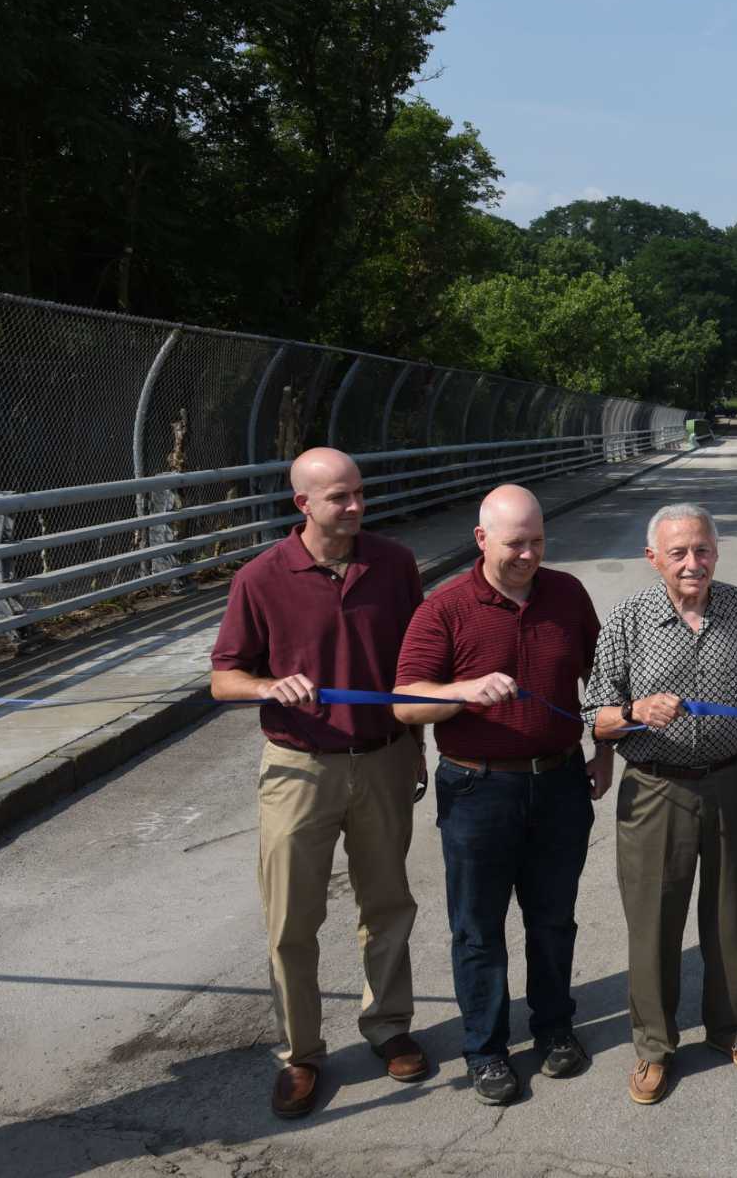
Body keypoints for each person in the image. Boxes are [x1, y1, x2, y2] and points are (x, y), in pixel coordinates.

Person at [209, 446, 428, 1119]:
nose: (357, 506)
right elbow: (223, 678)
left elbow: (416, 666)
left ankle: (389, 1026)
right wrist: (271, 684)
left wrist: (415, 744)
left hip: (384, 756)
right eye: (341, 497)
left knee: (387, 904)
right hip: (299, 767)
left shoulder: (392, 564)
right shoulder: (262, 577)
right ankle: (301, 1054)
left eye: (360, 492)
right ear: (302, 503)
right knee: (291, 920)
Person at [392, 485, 608, 1107]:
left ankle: (554, 1026)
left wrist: (603, 750)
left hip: (560, 779)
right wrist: (462, 690)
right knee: (478, 927)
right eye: (516, 543)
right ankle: (485, 1048)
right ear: (482, 539)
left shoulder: (566, 594)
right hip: (478, 787)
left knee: (552, 918)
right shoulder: (445, 609)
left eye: (538, 541)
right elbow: (406, 702)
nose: (529, 554)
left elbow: (602, 677)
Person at [584, 503, 737, 1106]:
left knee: (729, 913)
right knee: (654, 922)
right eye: (678, 553)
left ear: (716, 553)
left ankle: (729, 1028)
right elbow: (593, 716)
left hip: (732, 781)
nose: (692, 562)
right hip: (655, 787)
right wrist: (633, 713)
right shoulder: (627, 619)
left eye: (702, 550)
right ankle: (654, 1047)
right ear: (654, 559)